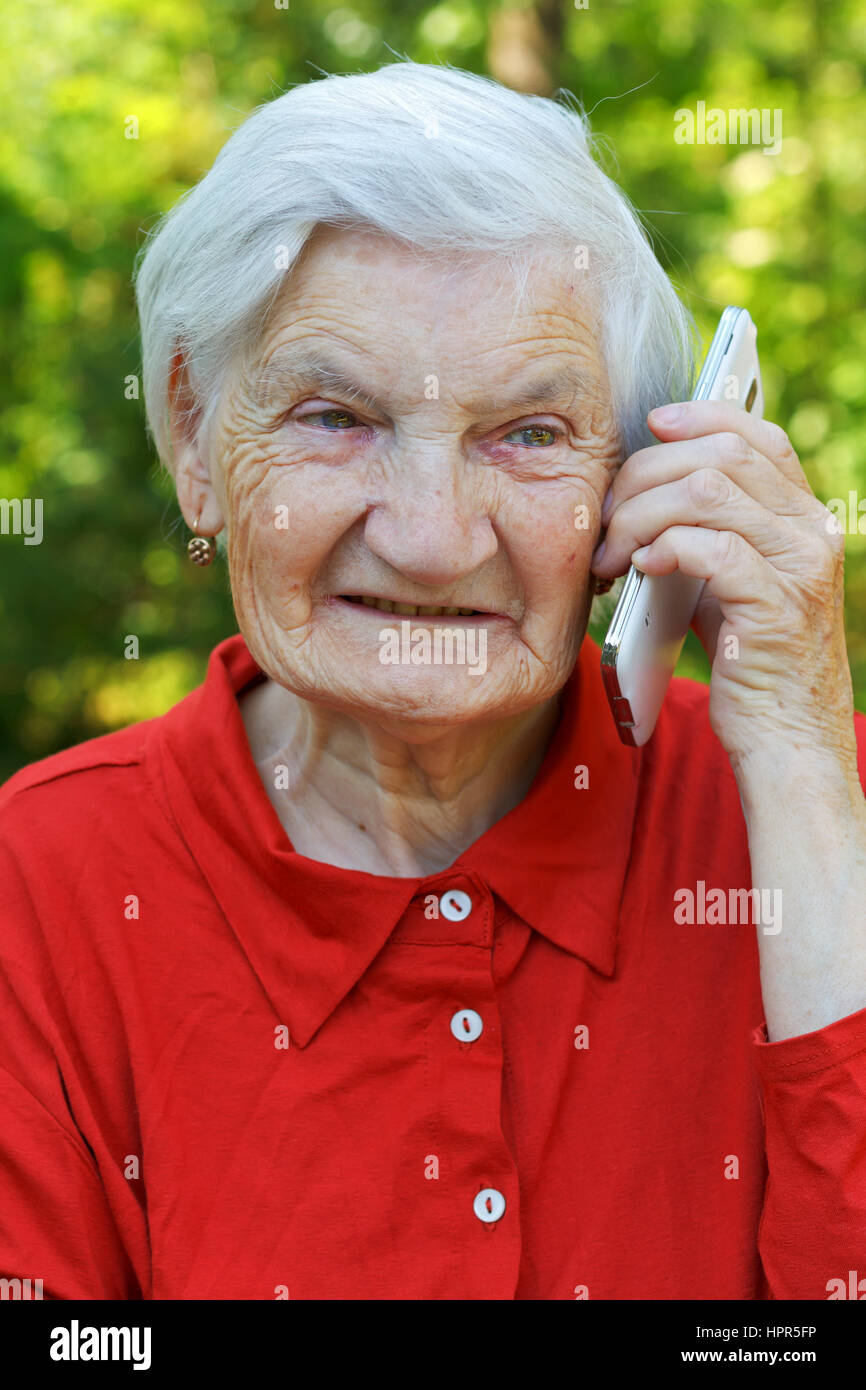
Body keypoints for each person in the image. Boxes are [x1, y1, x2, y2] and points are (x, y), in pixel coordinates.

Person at [2, 60, 865, 1301]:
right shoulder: (39, 885)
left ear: (631, 477)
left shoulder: (815, 813)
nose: (430, 536)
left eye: (525, 435)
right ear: (194, 434)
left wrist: (794, 760)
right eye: (332, 416)